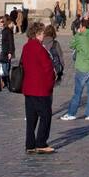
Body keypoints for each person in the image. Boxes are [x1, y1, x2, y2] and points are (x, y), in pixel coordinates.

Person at [21, 22, 56, 154]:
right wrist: (51, 84)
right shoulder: (39, 49)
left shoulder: (26, 47)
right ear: (37, 34)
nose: (43, 36)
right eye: (42, 34)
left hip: (28, 88)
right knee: (46, 115)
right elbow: (48, 69)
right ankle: (41, 143)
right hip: (40, 88)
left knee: (31, 118)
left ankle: (30, 144)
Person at [61, 18, 89, 121]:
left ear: (83, 27)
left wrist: (77, 34)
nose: (79, 28)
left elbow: (71, 45)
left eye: (80, 27)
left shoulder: (80, 37)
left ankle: (71, 113)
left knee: (78, 92)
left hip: (82, 67)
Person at [0, 15, 16, 90]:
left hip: (5, 52)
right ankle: (0, 85)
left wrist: (10, 52)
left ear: (4, 22)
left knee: (5, 70)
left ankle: (8, 83)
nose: (0, 23)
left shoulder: (8, 30)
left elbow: (11, 43)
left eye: (2, 22)